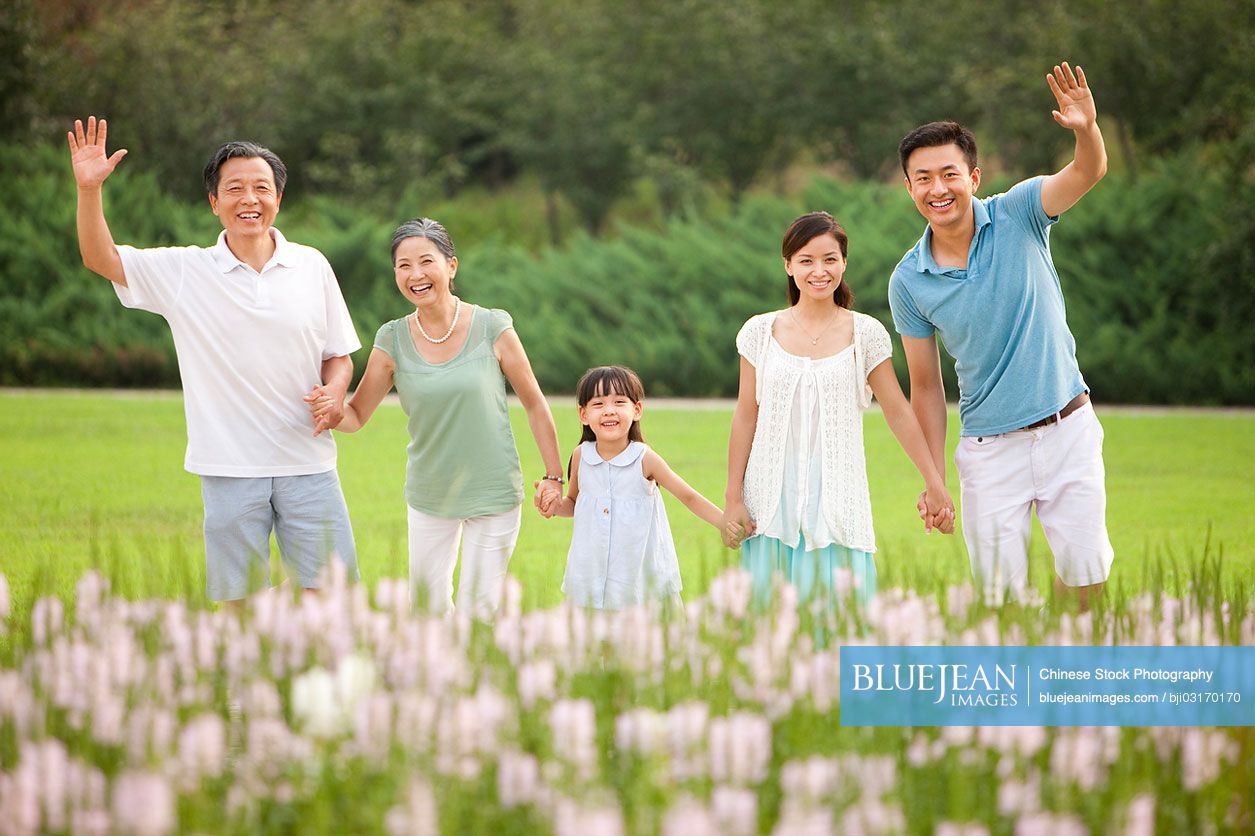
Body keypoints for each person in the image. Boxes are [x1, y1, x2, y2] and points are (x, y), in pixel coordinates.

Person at [67, 116, 360, 603]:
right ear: (214, 202)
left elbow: (339, 356)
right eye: (235, 189)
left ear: (278, 198)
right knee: (238, 603)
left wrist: (333, 391)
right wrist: (89, 190)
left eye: (261, 188)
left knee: (334, 595)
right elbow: (101, 258)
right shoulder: (186, 271)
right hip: (228, 465)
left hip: (308, 462)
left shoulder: (312, 265)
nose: (250, 199)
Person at [888, 63, 1112, 608]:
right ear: (909, 186)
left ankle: (1071, 682)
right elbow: (925, 387)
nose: (938, 189)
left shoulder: (1021, 212)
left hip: (1068, 428)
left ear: (974, 178)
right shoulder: (908, 281)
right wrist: (934, 477)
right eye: (924, 178)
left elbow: (1087, 173)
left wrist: (1085, 129)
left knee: (1086, 583)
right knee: (1000, 603)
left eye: (949, 174)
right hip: (988, 451)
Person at [307, 218, 562, 617]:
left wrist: (552, 475)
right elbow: (356, 415)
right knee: (426, 610)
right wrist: (331, 407)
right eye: (403, 265)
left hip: (493, 492)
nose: (416, 274)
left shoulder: (492, 326)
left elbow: (534, 403)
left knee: (480, 610)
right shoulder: (391, 339)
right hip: (430, 494)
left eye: (426, 261)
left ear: (452, 266)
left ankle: (479, 678)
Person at [723, 212, 954, 608]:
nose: (819, 271)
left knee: (842, 626)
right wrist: (733, 497)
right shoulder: (760, 332)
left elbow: (898, 411)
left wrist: (934, 480)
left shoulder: (865, 334)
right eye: (806, 260)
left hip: (837, 506)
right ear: (788, 265)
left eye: (830, 259)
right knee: (769, 632)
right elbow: (747, 414)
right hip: (769, 506)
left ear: (844, 263)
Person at [549, 366, 724, 610]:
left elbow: (688, 496)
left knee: (648, 644)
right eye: (598, 404)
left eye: (619, 402)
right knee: (595, 644)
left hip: (639, 579)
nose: (609, 410)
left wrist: (725, 523)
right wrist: (554, 505)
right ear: (583, 414)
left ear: (637, 409)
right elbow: (574, 504)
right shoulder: (581, 456)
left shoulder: (644, 458)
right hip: (591, 576)